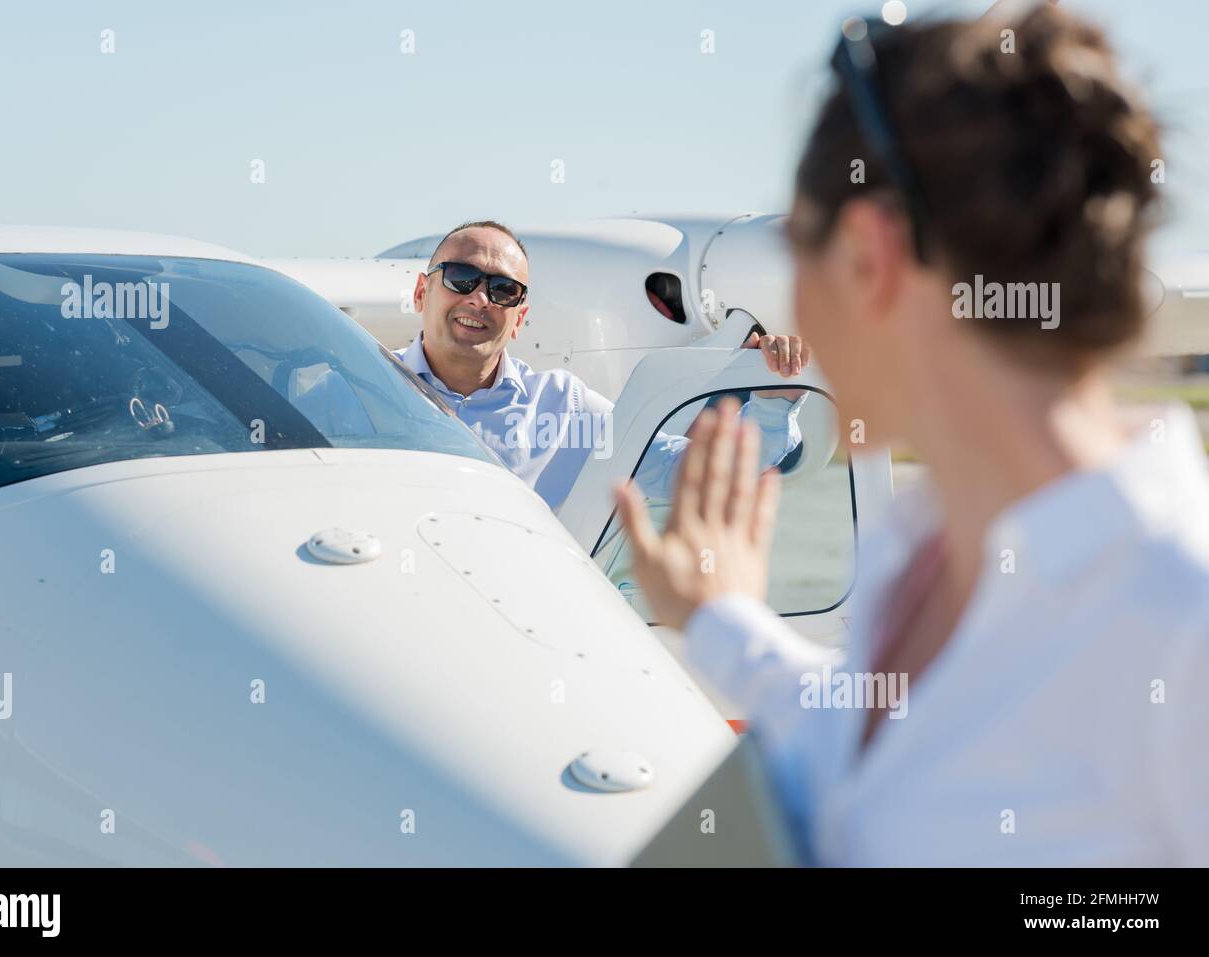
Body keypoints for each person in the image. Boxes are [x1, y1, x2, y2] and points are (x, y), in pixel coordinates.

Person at [615, 4, 1209, 865]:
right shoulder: (923, 551)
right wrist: (722, 621)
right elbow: (891, 745)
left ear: (867, 258)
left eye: (795, 255)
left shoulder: (1179, 610)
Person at [295, 219, 811, 510]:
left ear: (520, 319)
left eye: (503, 290)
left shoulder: (564, 407)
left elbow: (694, 476)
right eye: (459, 278)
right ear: (419, 290)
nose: (479, 299)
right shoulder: (342, 398)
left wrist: (771, 403)